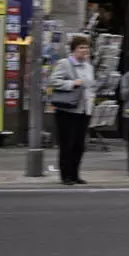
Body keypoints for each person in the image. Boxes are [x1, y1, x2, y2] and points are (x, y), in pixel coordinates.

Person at [49, 35, 96, 185]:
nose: (84, 50)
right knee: (67, 144)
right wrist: (72, 83)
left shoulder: (89, 66)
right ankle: (66, 175)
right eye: (81, 47)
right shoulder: (65, 63)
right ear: (73, 50)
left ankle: (76, 174)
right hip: (68, 109)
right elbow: (53, 81)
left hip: (84, 109)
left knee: (79, 145)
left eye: (86, 47)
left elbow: (90, 85)